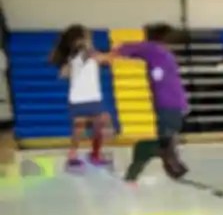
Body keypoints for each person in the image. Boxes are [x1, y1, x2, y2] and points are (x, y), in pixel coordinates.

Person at [103, 23, 189, 184]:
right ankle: (168, 166)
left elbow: (126, 47)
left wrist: (109, 56)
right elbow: (134, 51)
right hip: (175, 105)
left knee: (161, 142)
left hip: (167, 105)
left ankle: (152, 163)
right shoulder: (163, 53)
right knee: (166, 140)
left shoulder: (153, 49)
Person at [48, 24, 112, 171]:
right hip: (85, 97)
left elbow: (65, 73)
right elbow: (103, 59)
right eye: (87, 36)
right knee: (86, 127)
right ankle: (88, 155)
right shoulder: (84, 54)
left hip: (86, 96)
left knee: (90, 127)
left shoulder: (80, 55)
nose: (90, 39)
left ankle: (81, 154)